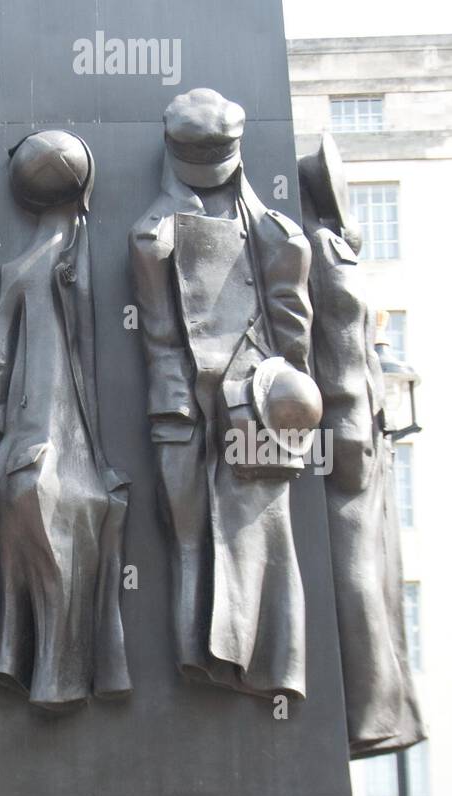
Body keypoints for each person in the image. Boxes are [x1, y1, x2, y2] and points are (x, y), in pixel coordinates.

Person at [129, 88, 316, 700]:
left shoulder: (277, 234)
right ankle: (202, 655)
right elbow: (159, 333)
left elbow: (294, 333)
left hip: (253, 402)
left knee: (265, 534)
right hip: (183, 405)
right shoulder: (152, 235)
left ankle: (270, 665)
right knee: (188, 534)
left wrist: (280, 400)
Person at [0, 129, 130, 711]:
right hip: (47, 459)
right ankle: (57, 682)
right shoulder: (57, 264)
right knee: (63, 563)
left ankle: (38, 669)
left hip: (26, 455)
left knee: (44, 575)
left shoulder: (26, 267)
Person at [299, 133, 425, 756]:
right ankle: (370, 707)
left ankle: (376, 705)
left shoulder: (325, 247)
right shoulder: (327, 249)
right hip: (352, 440)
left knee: (369, 573)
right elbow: (344, 353)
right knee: (358, 571)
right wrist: (352, 437)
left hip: (362, 439)